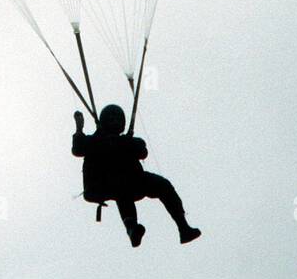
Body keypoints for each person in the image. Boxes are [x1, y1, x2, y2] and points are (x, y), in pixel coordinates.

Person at [72, 104, 201, 248]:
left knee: (163, 185)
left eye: (117, 119)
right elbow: (78, 149)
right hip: (103, 185)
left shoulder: (127, 141)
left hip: (132, 182)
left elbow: (142, 152)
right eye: (111, 118)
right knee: (121, 188)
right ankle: (132, 228)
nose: (115, 121)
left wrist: (128, 142)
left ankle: (183, 227)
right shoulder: (95, 141)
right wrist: (79, 129)